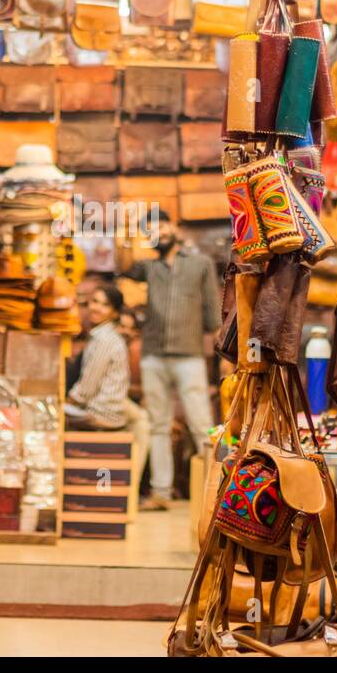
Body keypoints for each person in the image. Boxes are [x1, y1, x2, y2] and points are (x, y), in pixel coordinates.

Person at [121, 211, 220, 510]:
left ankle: (213, 491)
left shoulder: (200, 264)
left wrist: (220, 354)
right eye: (150, 230)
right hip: (153, 355)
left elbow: (213, 313)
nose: (158, 233)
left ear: (174, 226)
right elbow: (122, 269)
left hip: (189, 354)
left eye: (161, 225)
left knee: (201, 424)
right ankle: (161, 493)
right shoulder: (147, 268)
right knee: (158, 426)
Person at [64, 286, 130, 430]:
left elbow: (86, 390)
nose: (97, 308)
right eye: (95, 301)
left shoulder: (105, 340)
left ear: (115, 313)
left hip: (101, 414)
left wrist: (65, 402)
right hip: (97, 410)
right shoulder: (100, 335)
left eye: (105, 305)